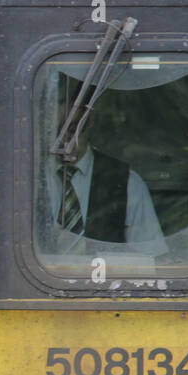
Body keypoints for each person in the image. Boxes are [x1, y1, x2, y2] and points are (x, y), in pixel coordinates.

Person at [45, 96, 168, 257]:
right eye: (57, 131)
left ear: (90, 122)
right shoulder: (29, 179)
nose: (65, 141)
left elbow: (152, 257)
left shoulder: (127, 183)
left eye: (73, 129)